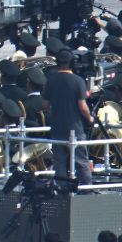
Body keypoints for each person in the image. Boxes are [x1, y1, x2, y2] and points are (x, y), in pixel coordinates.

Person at [42, 52, 93, 186]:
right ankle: (87, 188)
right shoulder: (78, 81)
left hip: (58, 127)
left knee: (59, 161)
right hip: (75, 128)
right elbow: (82, 106)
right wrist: (90, 118)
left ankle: (62, 188)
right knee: (81, 161)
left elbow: (45, 105)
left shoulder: (50, 80)